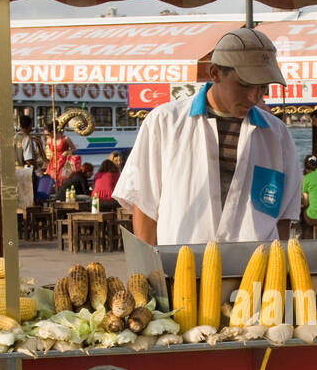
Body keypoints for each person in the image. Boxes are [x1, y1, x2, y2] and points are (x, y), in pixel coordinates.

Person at [115, 28, 300, 244]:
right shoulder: (164, 122)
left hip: (257, 271)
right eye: (244, 85)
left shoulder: (277, 134)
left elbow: (283, 216)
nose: (254, 96)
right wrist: (151, 273)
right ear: (215, 73)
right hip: (182, 269)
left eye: (262, 88)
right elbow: (145, 206)